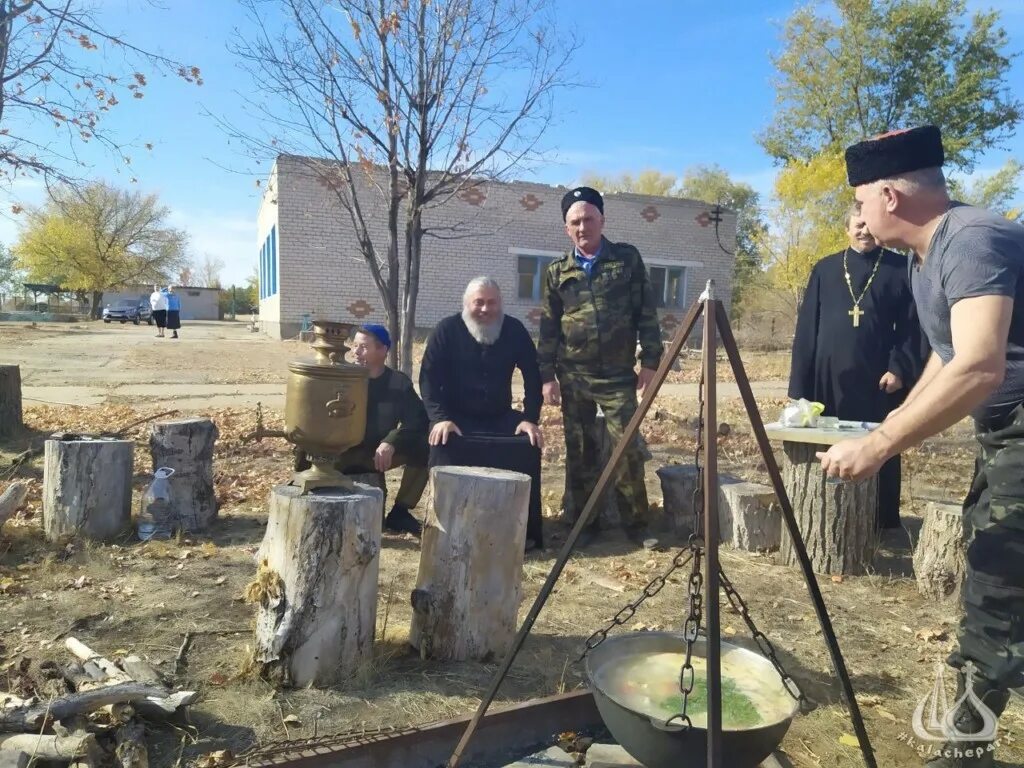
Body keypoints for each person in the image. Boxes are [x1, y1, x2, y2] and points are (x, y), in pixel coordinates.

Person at [819, 125, 1024, 767]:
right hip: (1004, 432)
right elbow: (946, 355)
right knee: (995, 571)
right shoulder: (922, 256)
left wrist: (882, 444)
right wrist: (896, 418)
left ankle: (964, 751)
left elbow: (980, 366)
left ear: (889, 195)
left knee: (995, 581)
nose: (856, 215)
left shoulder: (972, 240)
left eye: (859, 201)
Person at [538, 186, 663, 548]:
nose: (582, 227)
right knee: (580, 453)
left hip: (617, 376)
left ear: (602, 220)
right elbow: (548, 327)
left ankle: (637, 525)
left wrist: (651, 363)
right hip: (573, 376)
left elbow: (647, 314)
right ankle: (583, 525)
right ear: (566, 228)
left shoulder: (626, 260)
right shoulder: (556, 271)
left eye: (588, 219)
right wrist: (547, 376)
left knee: (626, 448)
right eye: (574, 222)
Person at [789, 204, 927, 528]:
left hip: (878, 379)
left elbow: (913, 327)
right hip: (828, 379)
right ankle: (828, 516)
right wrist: (799, 387)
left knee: (879, 444)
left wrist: (900, 368)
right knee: (827, 444)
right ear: (847, 227)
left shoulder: (900, 268)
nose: (863, 230)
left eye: (868, 224)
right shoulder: (825, 269)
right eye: (857, 224)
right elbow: (807, 329)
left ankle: (878, 520)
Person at [419, 276, 545, 549]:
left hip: (500, 416)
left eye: (492, 303)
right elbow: (428, 378)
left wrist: (528, 419)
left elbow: (533, 377)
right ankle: (442, 530)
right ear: (467, 304)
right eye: (479, 302)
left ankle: (525, 533)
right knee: (442, 444)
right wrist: (439, 418)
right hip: (455, 417)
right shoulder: (447, 329)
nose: (486, 309)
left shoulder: (514, 330)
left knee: (529, 444)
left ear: (500, 304)